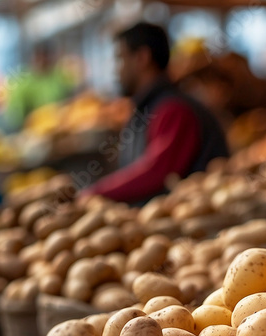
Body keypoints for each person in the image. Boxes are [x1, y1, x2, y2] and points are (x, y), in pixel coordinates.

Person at [83, 22, 229, 204]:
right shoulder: (147, 107)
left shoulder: (174, 109)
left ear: (142, 58)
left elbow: (157, 172)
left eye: (120, 59)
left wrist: (94, 193)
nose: (116, 70)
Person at [6, 44, 75, 131]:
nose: (42, 61)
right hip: (33, 131)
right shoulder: (24, 82)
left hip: (61, 127)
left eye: (45, 57)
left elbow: (70, 100)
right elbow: (16, 115)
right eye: (39, 57)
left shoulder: (60, 77)